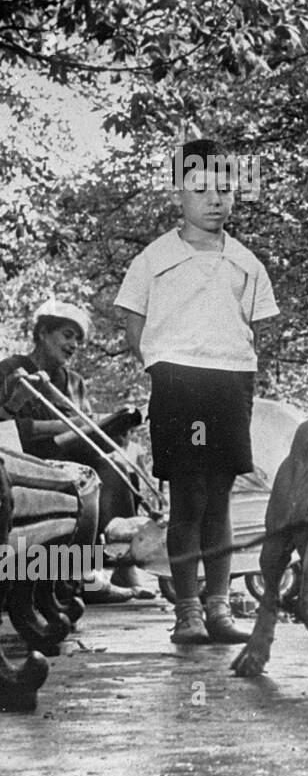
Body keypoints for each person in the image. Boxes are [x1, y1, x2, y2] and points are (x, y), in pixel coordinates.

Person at [115, 138, 279, 645]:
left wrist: (236, 366)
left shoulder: (246, 263)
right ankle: (186, 611)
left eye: (225, 190)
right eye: (201, 189)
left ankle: (219, 608)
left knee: (222, 500)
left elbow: (258, 325)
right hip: (179, 384)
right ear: (179, 192)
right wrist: (161, 363)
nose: (215, 200)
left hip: (230, 383)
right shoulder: (154, 258)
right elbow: (131, 318)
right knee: (188, 498)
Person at [0, 299, 152, 602]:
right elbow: (7, 423)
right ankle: (80, 576)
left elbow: (84, 428)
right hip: (25, 458)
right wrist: (61, 425)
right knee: (97, 473)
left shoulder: (75, 382)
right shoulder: (10, 369)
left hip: (69, 454)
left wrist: (112, 428)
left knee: (118, 465)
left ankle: (121, 563)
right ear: (43, 333)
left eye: (78, 340)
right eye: (67, 335)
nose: (74, 345)